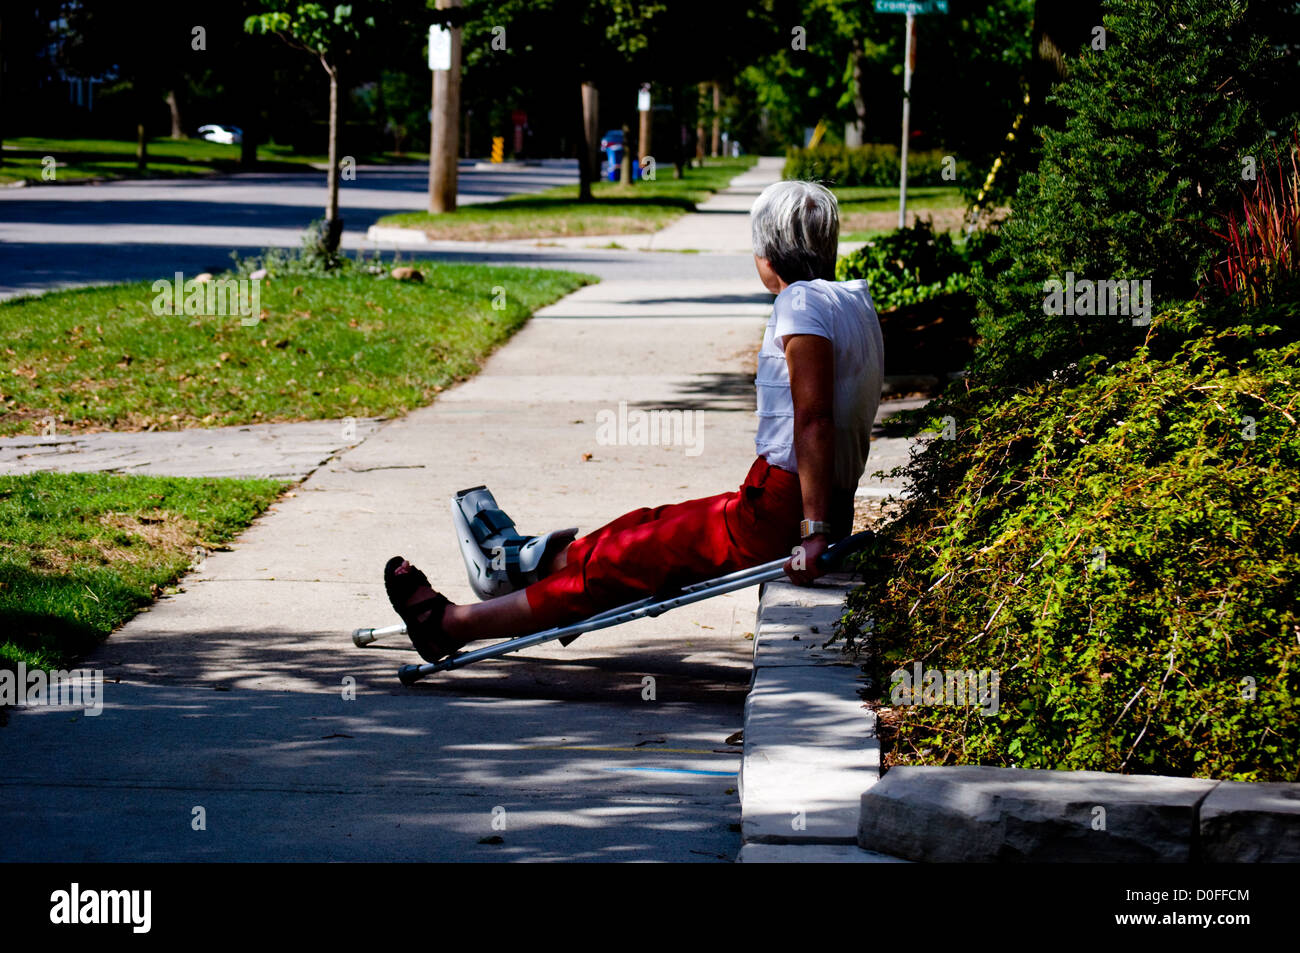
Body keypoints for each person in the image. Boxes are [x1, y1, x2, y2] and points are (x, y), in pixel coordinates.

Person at [384, 179, 884, 663]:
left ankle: (448, 624)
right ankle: (529, 569)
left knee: (620, 563)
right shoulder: (853, 301)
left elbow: (815, 420)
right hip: (793, 500)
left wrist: (813, 532)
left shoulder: (799, 301)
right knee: (642, 527)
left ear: (767, 254)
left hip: (783, 509)